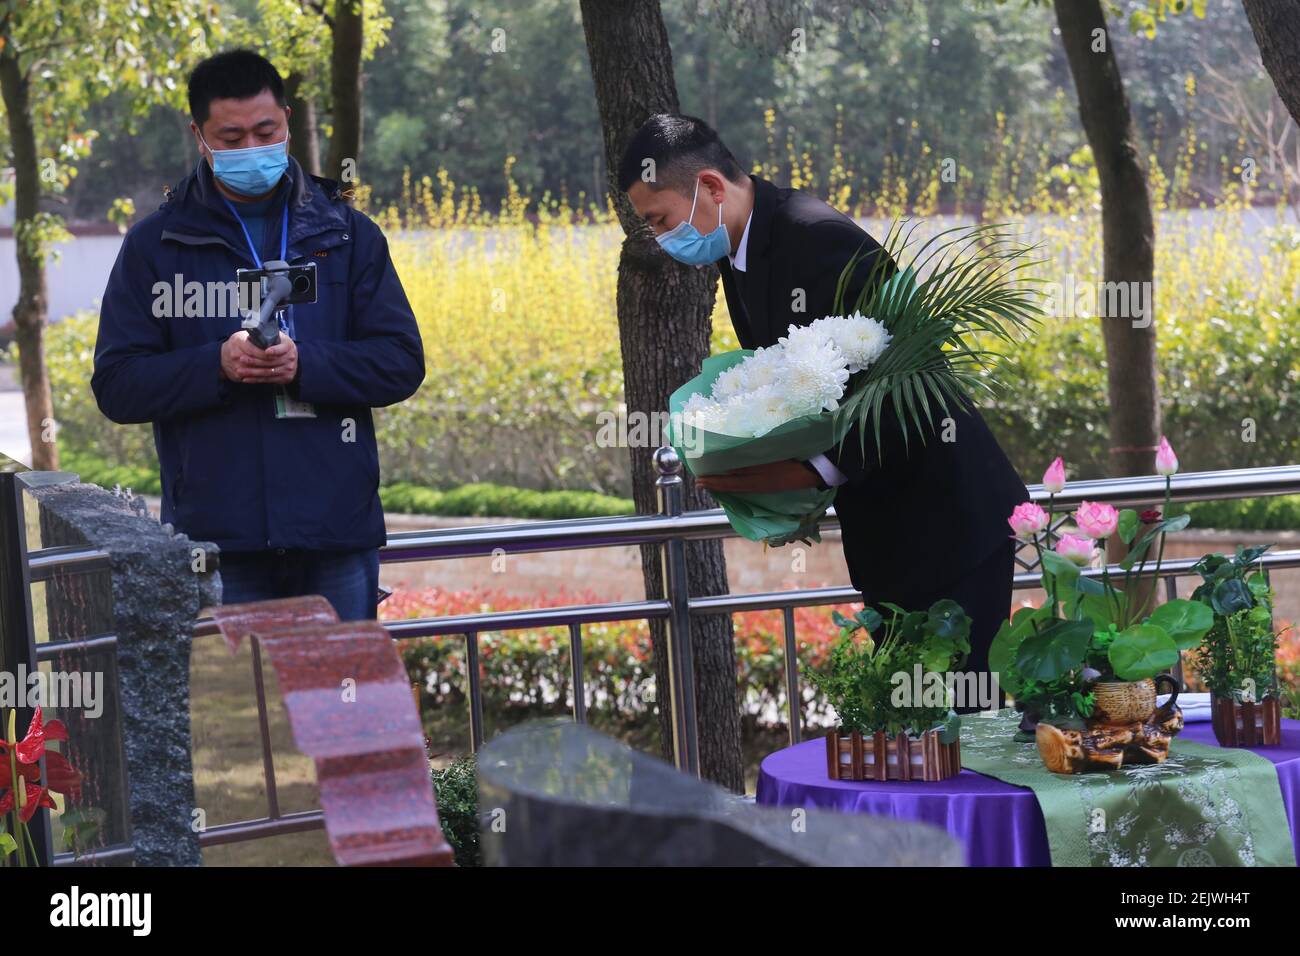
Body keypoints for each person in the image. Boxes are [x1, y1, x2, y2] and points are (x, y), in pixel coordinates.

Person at [621, 114, 1028, 710]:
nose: (661, 238)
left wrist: (808, 472)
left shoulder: (813, 237)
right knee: (909, 724)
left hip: (949, 522)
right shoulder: (739, 252)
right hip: (890, 532)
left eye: (660, 219)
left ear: (710, 186)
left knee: (957, 731)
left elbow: (905, 383)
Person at [92, 49, 425, 621]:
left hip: (335, 535)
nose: (251, 149)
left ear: (288, 122)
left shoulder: (346, 234)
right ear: (199, 135)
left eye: (265, 131)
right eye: (232, 136)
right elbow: (118, 384)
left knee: (339, 706)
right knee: (239, 710)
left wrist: (308, 365)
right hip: (220, 543)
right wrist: (214, 366)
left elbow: (400, 361)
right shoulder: (157, 245)